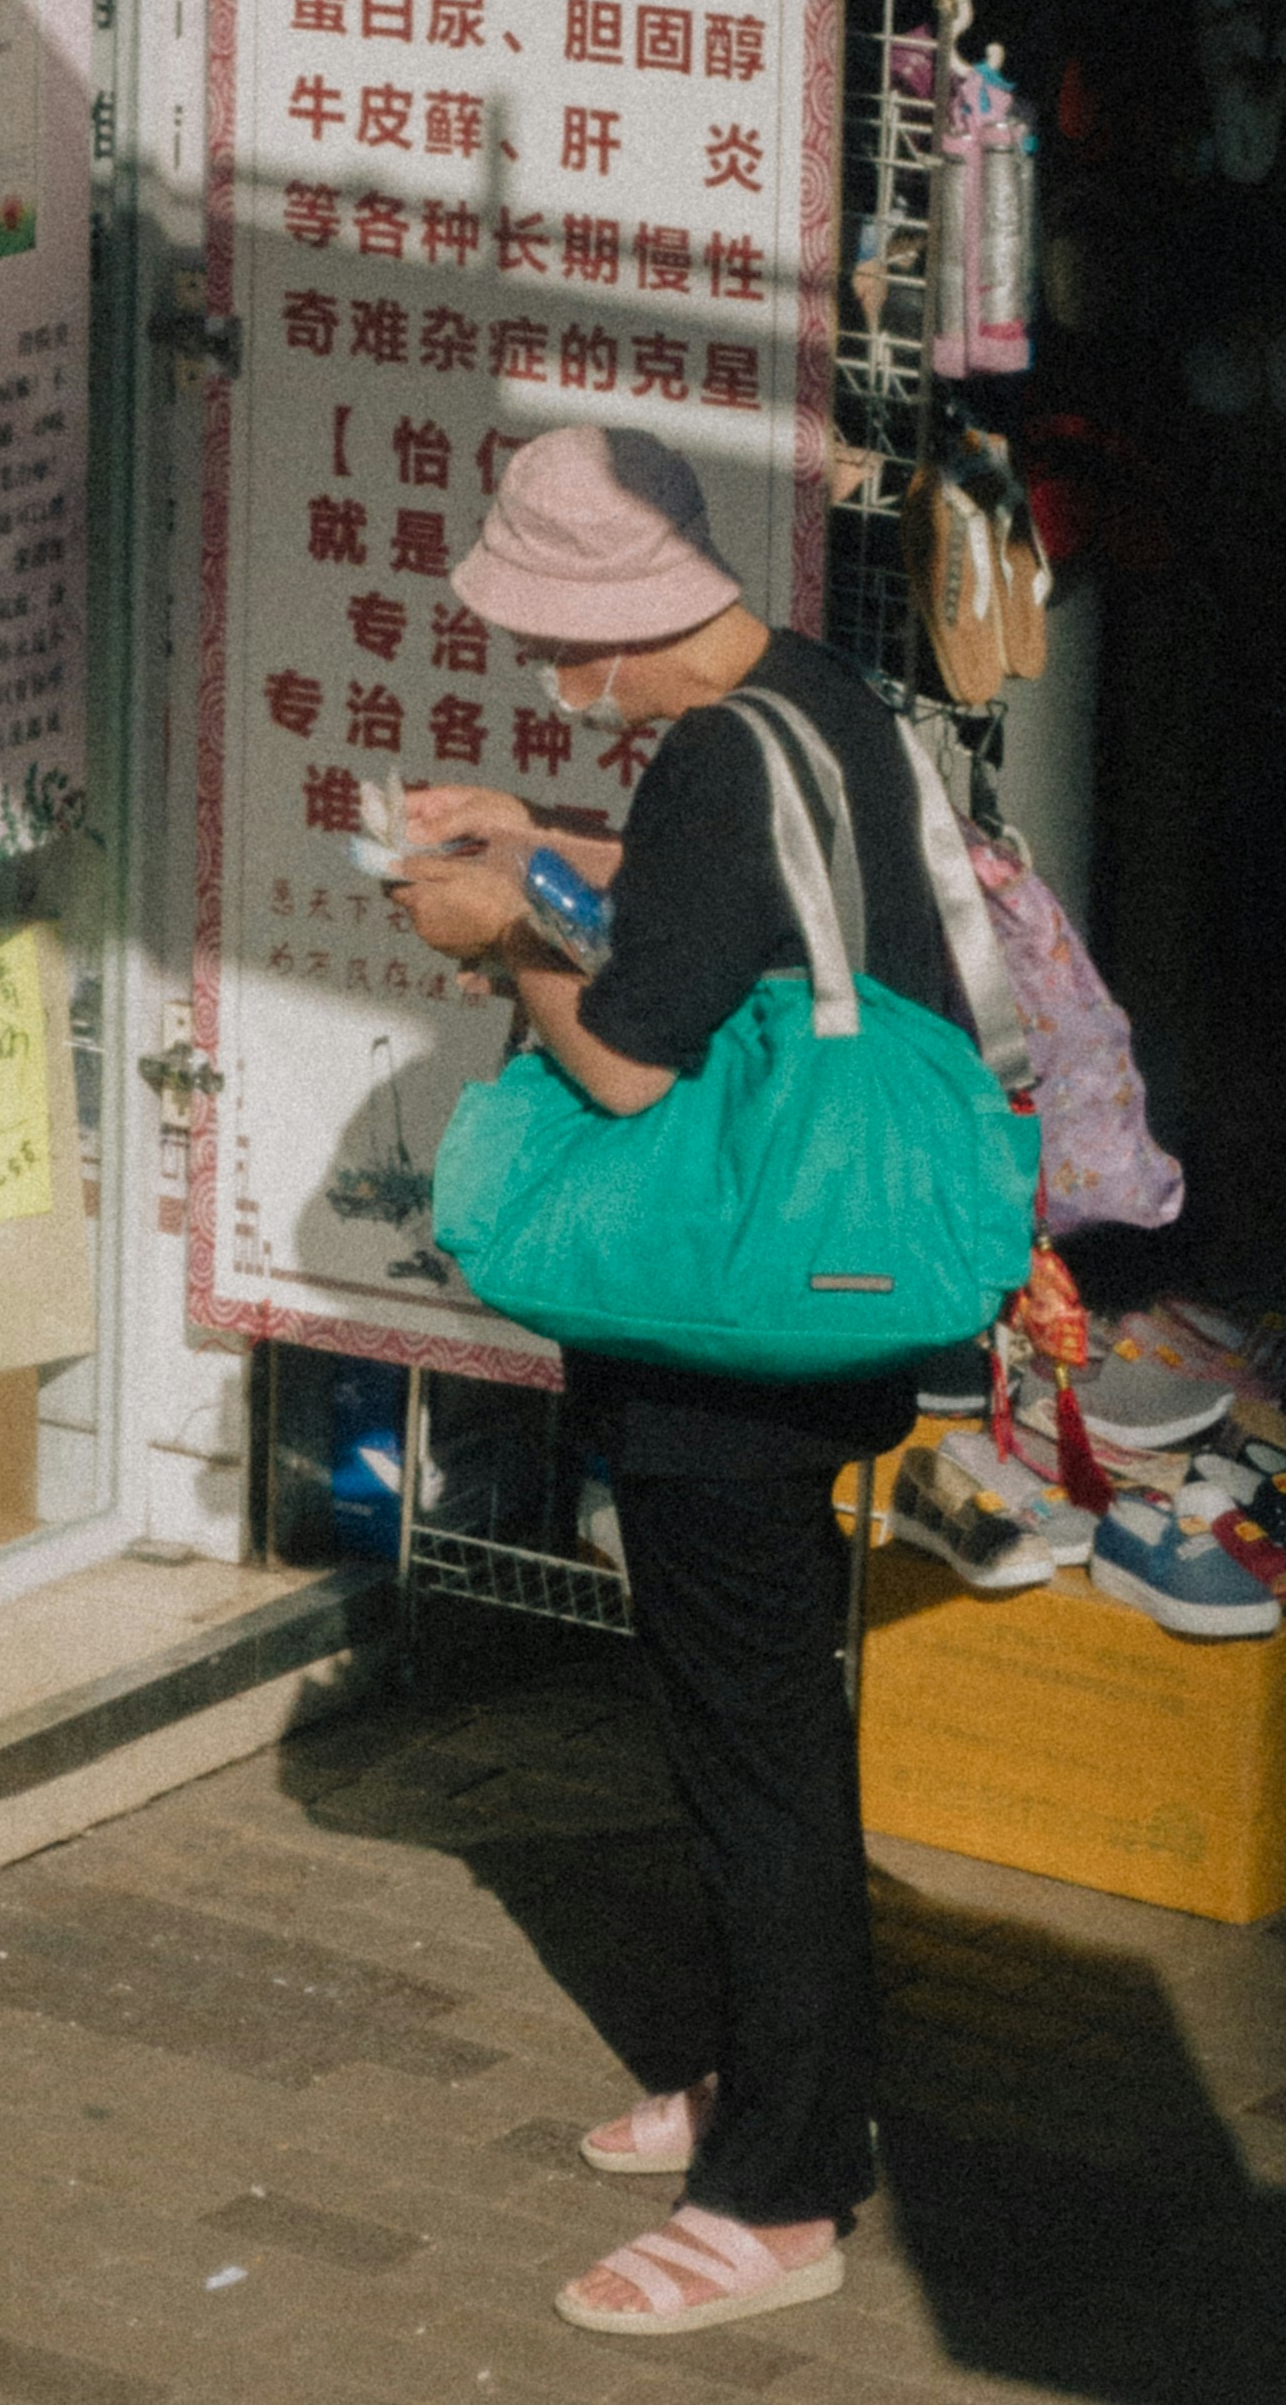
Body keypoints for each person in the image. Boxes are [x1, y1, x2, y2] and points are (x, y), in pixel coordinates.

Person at [387, 422, 966, 2345]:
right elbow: (725, 902)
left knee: (755, 1750)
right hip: (823, 1290)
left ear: (608, 628)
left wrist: (501, 928)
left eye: (555, 646)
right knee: (764, 1724)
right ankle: (766, 2082)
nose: (554, 680)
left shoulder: (715, 751)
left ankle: (784, 2180)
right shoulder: (810, 693)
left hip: (732, 1340)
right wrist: (548, 850)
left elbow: (630, 1056)